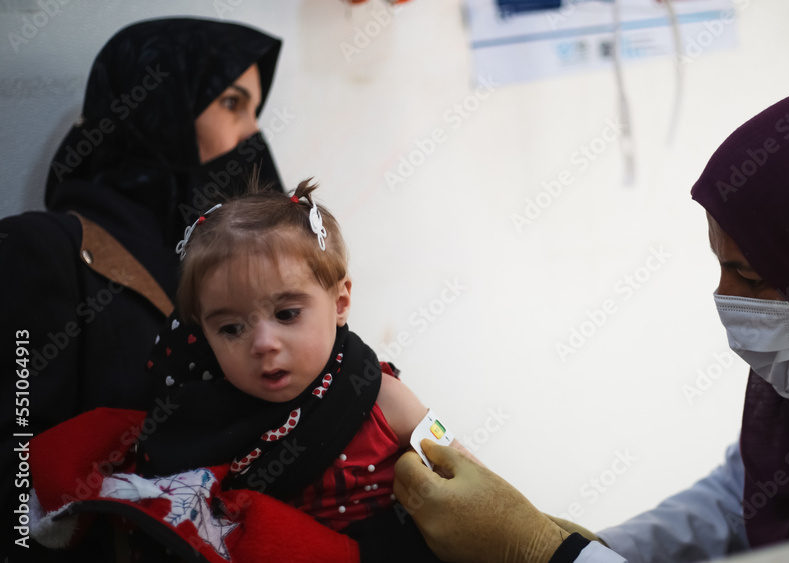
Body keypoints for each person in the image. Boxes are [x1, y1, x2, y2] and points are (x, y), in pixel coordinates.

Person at [391, 82, 789, 562]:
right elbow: (740, 498)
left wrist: (541, 553)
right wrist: (591, 547)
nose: (725, 299)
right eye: (721, 266)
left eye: (752, 278)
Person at [29, 179, 477, 561]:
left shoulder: (380, 393)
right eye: (231, 328)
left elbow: (466, 473)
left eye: (286, 314)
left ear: (340, 302)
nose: (262, 343)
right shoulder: (211, 416)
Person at [2, 17, 284, 559]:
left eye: (255, 110)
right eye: (232, 103)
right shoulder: (41, 249)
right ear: (159, 109)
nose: (252, 134)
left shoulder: (219, 277)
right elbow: (16, 475)